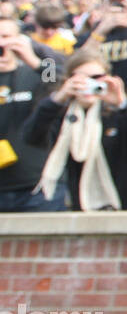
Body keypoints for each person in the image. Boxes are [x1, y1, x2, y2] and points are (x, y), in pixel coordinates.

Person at [25, 47, 127, 210]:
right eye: (80, 78)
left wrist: (123, 104)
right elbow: (32, 137)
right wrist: (58, 99)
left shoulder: (121, 112)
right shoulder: (63, 116)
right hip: (84, 206)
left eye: (96, 77)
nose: (89, 84)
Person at [0, 17, 65, 212]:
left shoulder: (36, 73)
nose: (1, 43)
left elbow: (64, 80)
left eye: (6, 37)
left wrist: (35, 61)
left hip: (37, 185)